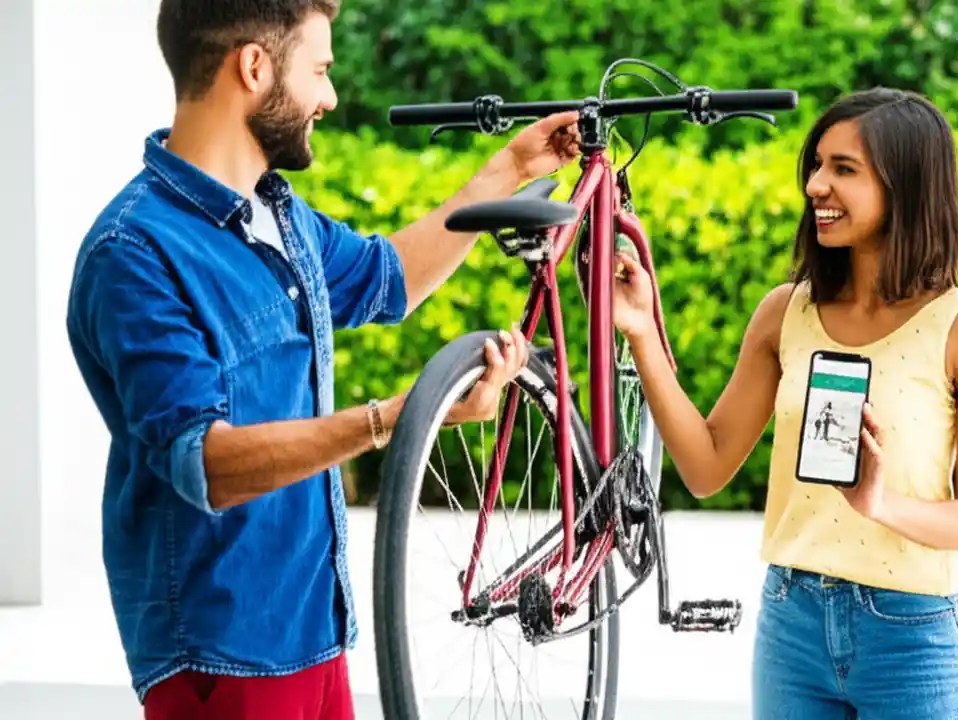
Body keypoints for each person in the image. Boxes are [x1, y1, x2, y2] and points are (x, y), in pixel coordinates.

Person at [63, 2, 582, 717]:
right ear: (255, 67)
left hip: (315, 633)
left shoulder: (276, 215)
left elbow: (386, 278)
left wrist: (513, 166)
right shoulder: (136, 254)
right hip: (225, 656)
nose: (330, 97)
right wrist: (395, 419)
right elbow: (204, 463)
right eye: (320, 70)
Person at [613, 88, 958, 718]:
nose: (816, 186)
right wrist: (639, 332)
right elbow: (706, 466)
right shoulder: (786, 312)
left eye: (844, 169)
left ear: (905, 185)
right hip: (791, 621)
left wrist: (880, 504)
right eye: (818, 165)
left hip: (910, 635)